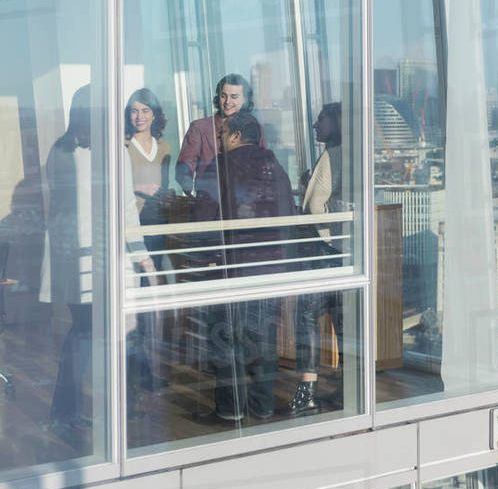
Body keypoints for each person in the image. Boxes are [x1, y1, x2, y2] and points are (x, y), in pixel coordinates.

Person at [41, 85, 154, 430]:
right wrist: (142, 257)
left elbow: (59, 210)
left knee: (86, 333)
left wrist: (140, 255)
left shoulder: (62, 150)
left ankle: (71, 411)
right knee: (94, 333)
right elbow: (123, 211)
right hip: (92, 260)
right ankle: (80, 413)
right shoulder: (99, 152)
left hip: (83, 260)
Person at [195, 110, 296, 422]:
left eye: (224, 135)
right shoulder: (276, 167)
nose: (221, 140)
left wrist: (199, 253)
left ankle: (230, 410)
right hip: (271, 268)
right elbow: (289, 214)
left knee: (225, 337)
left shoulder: (221, 166)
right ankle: (261, 405)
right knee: (263, 337)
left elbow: (203, 219)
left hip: (232, 267)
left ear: (236, 136)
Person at [287, 103, 344, 417]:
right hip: (350, 249)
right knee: (343, 317)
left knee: (307, 316)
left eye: (320, 119)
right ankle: (350, 384)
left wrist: (325, 235)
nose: (313, 125)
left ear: (335, 121)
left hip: (327, 252)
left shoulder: (331, 155)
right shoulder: (359, 154)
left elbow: (312, 205)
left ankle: (306, 392)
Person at [175, 74, 253, 195]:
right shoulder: (200, 128)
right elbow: (186, 163)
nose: (228, 102)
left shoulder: (253, 128)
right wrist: (186, 179)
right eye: (223, 96)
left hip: (246, 201)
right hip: (212, 201)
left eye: (234, 97)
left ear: (244, 100)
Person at [125, 87, 173, 280]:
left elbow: (165, 184)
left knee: (157, 276)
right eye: (134, 111)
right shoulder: (123, 146)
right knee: (139, 278)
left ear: (154, 115)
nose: (139, 117)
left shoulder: (164, 147)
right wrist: (139, 188)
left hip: (158, 220)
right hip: (134, 222)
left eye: (145, 111)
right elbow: (113, 188)